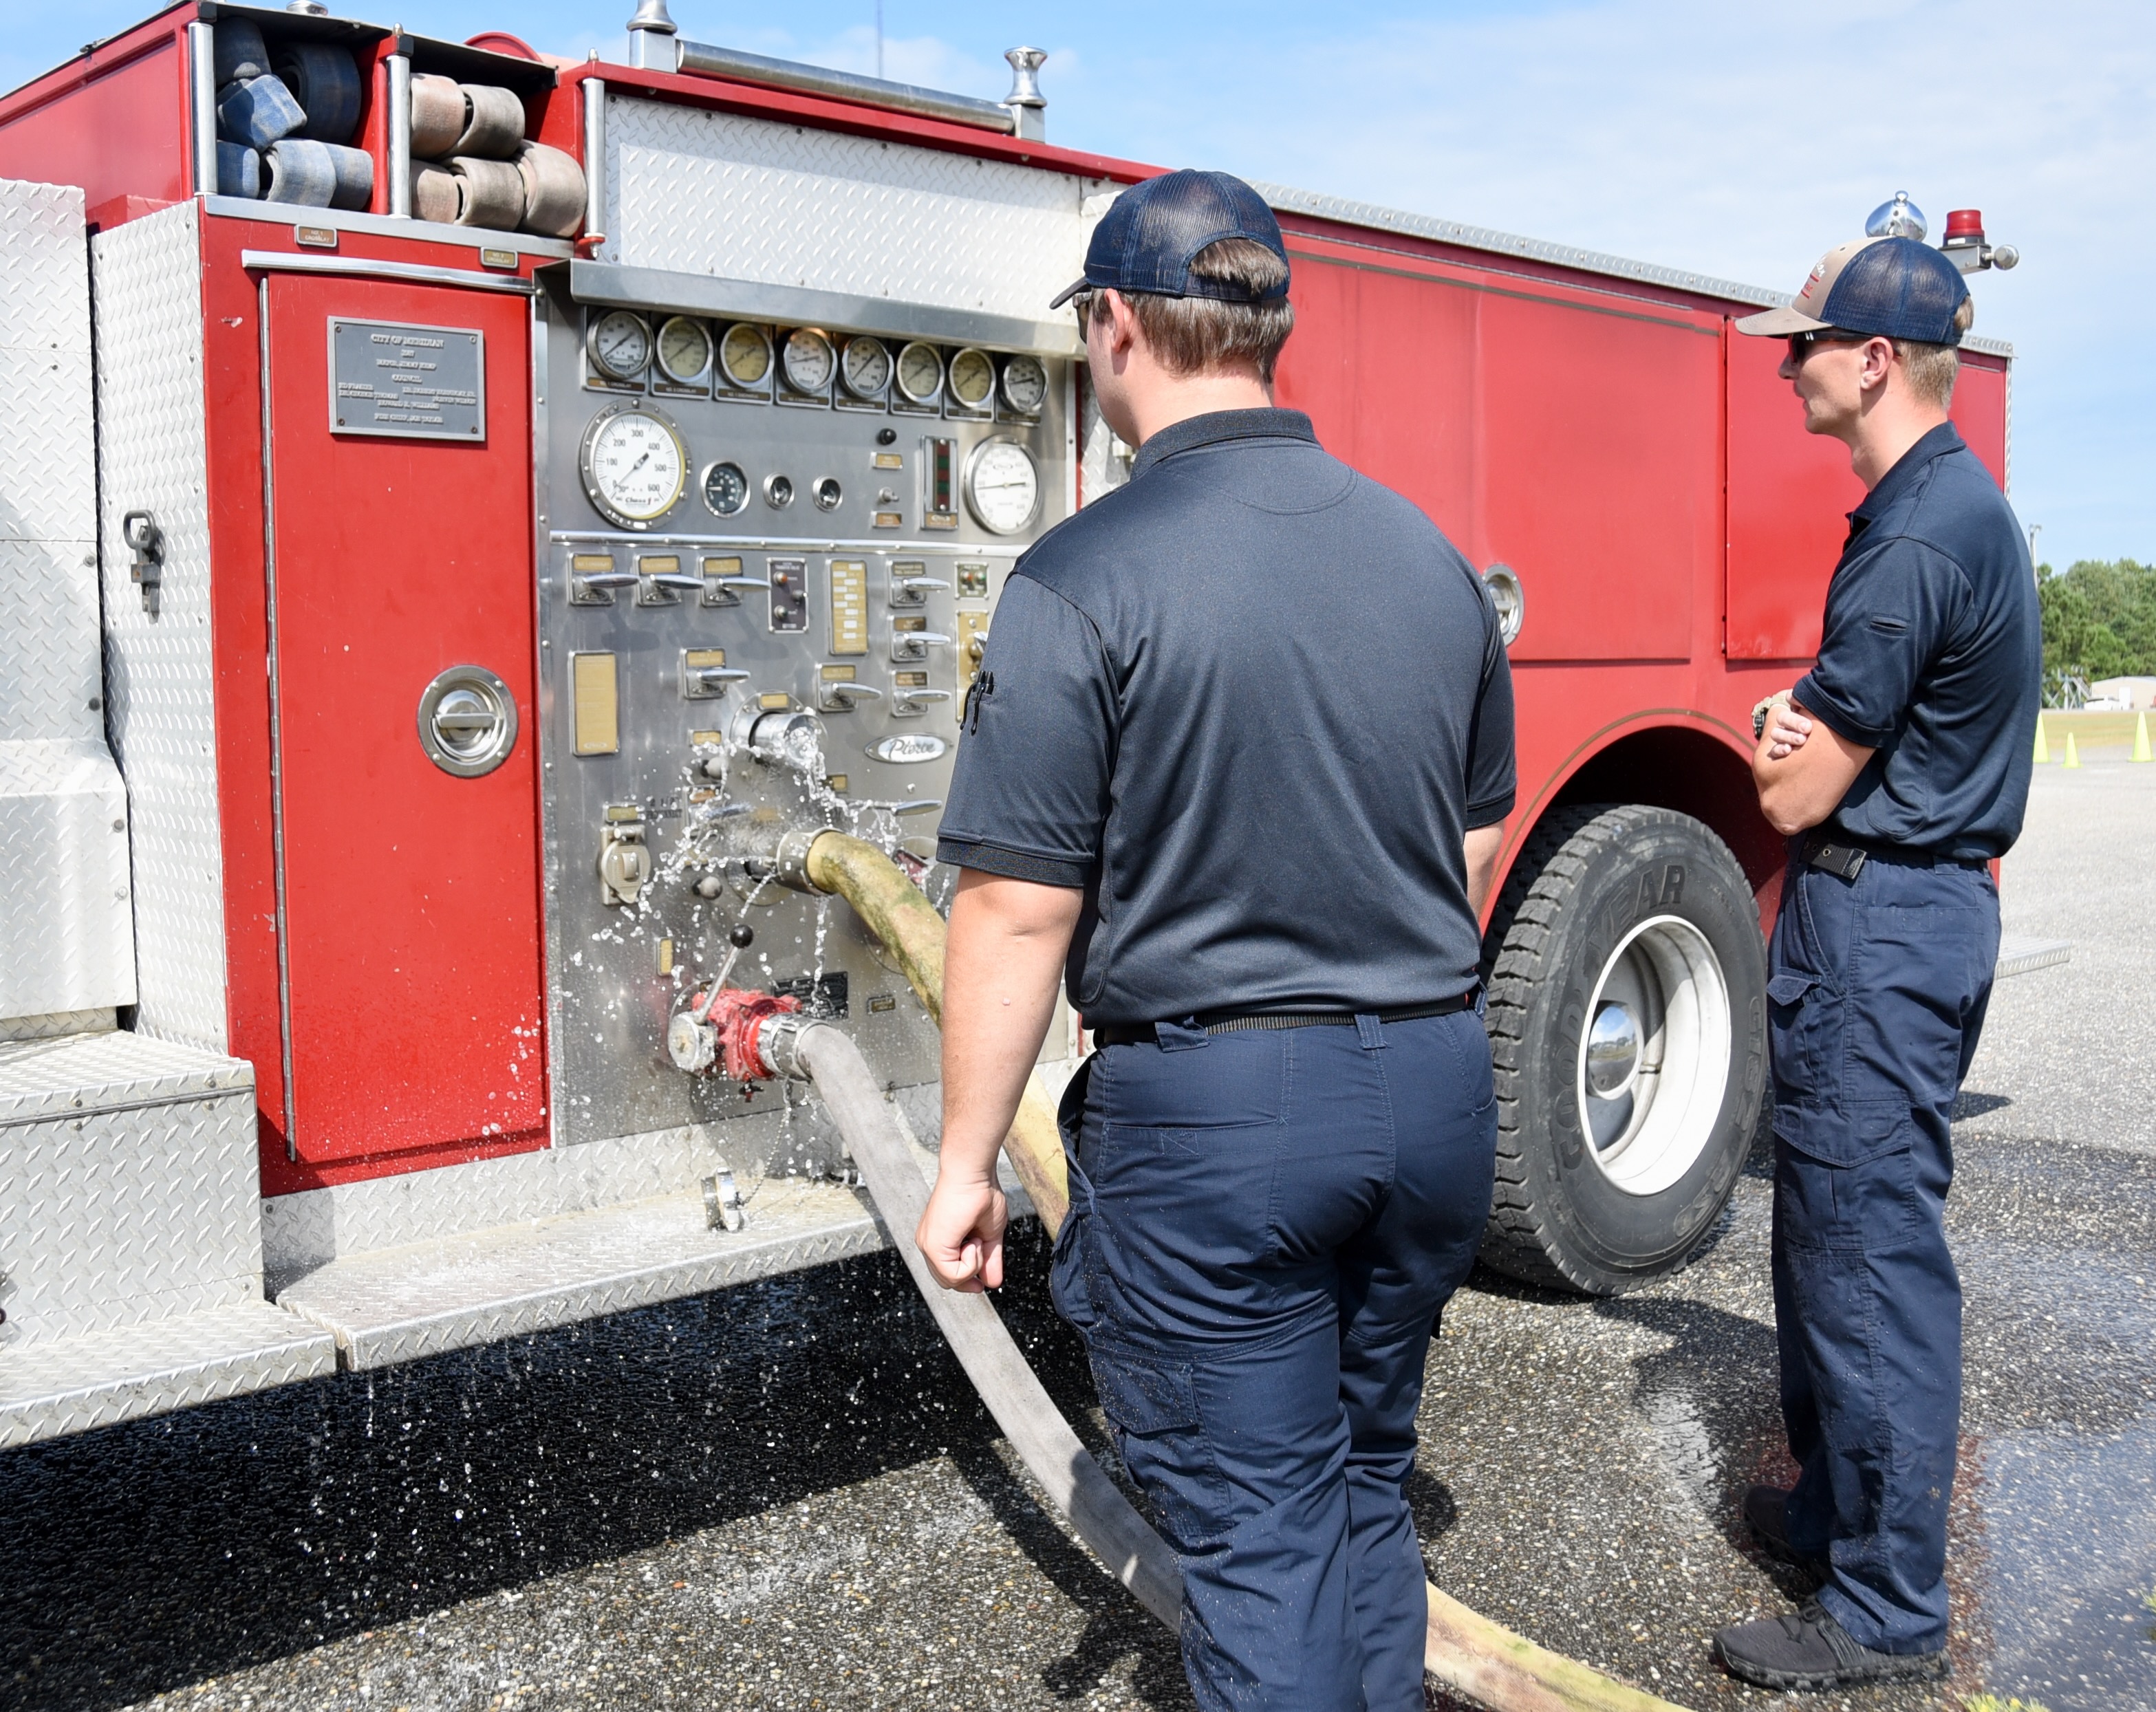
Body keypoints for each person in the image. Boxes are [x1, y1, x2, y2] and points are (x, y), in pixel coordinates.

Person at [912, 169, 1516, 1710]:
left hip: (1227, 1125)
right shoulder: (1429, 558)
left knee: (1255, 1543)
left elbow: (1018, 903)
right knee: (1360, 1481)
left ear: (1115, 327)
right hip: (1435, 1095)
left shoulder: (1084, 575)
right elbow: (1471, 841)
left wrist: (967, 1164)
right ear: (1273, 329)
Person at [1714, 235, 2040, 1690]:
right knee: (1824, 1239)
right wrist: (1813, 731)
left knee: (1866, 1266)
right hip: (1897, 907)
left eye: (1804, 343)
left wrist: (1792, 745)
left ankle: (1887, 1614)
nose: (1784, 364)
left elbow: (1789, 795)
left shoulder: (1918, 531)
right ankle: (1841, 1509)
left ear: (1872, 360)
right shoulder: (1933, 507)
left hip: (1886, 922)